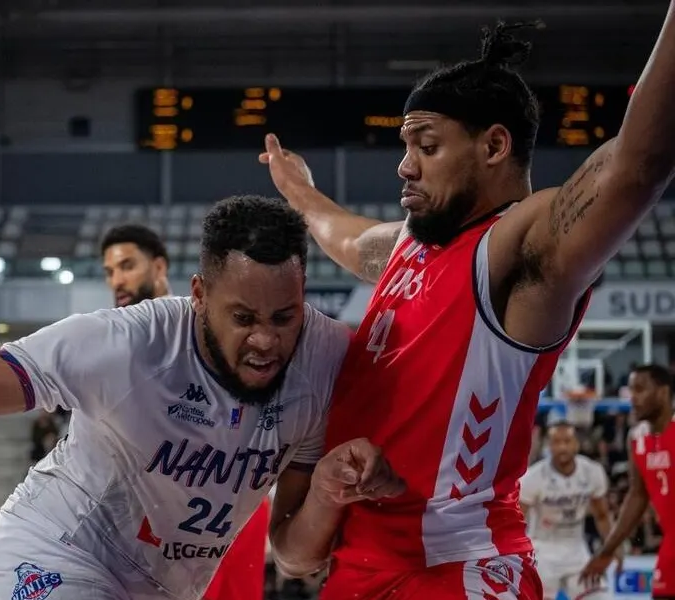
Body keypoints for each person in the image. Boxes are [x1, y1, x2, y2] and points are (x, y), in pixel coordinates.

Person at [261, 12, 675, 599]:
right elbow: (342, 233)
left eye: (426, 145)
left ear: (494, 145)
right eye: (407, 146)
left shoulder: (519, 247)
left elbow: (637, 168)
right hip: (356, 571)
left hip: (460, 570)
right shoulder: (407, 247)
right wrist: (296, 186)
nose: (405, 165)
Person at [0, 195, 406, 600]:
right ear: (199, 294)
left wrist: (329, 490)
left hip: (168, 586)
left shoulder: (327, 357)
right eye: (243, 317)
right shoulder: (123, 344)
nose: (266, 341)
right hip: (59, 549)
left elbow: (295, 555)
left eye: (285, 316)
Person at [100, 223, 272, 600]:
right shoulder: (114, 343)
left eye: (128, 266)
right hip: (149, 511)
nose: (118, 280)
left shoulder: (210, 330)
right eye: (110, 272)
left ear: (159, 268)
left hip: (223, 506)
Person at [583, 365, 674, 598]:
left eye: (640, 389)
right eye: (630, 389)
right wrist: (607, 550)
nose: (632, 397)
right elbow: (637, 496)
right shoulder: (637, 437)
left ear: (663, 393)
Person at [519, 421, 615, 600]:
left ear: (577, 443)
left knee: (603, 597)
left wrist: (613, 548)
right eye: (556, 441)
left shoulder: (592, 472)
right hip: (542, 549)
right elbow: (518, 520)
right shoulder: (533, 477)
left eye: (567, 441)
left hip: (577, 549)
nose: (562, 447)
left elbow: (602, 516)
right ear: (549, 445)